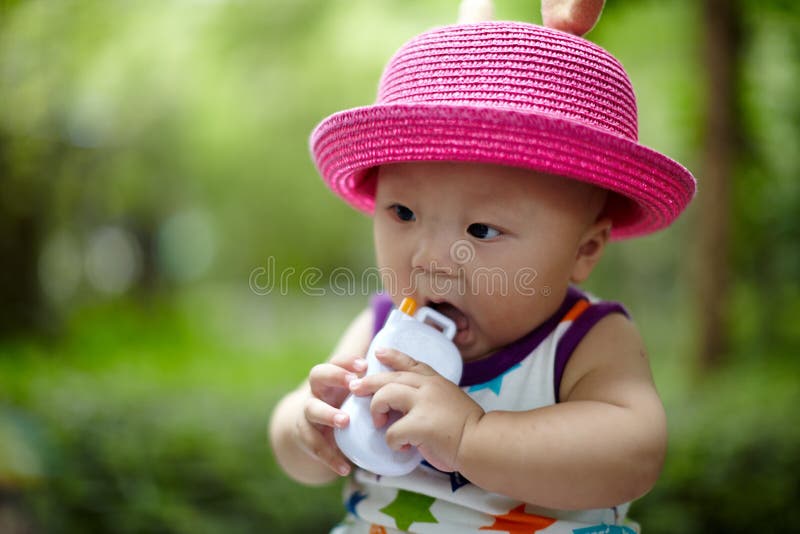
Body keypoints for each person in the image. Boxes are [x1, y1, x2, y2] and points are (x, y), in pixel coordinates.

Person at [269, 0, 695, 532]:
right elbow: (294, 441)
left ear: (585, 250)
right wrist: (309, 430)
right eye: (403, 212)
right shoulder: (382, 334)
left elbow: (633, 454)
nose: (429, 258)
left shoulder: (585, 340)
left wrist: (472, 437)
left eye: (481, 230)